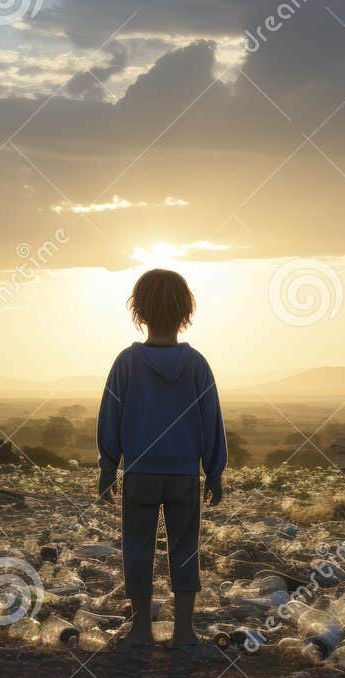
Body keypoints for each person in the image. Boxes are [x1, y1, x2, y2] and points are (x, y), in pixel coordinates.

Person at [97, 268, 227, 649]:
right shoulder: (197, 364)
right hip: (185, 475)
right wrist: (214, 472)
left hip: (139, 474)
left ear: (138, 310)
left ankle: (141, 630)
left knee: (137, 547)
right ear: (186, 311)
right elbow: (211, 420)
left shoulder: (126, 363)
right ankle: (184, 632)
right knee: (185, 551)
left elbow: (110, 417)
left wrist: (108, 468)